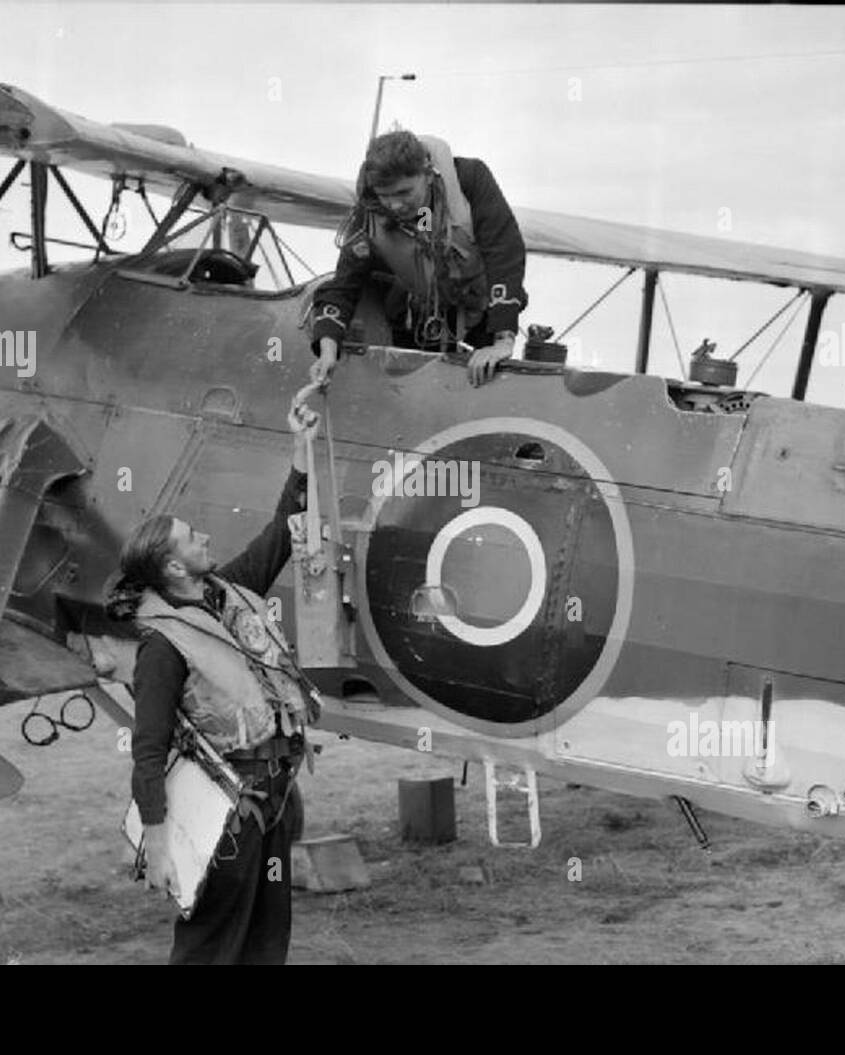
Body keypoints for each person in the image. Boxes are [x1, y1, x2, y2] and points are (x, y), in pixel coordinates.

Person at [104, 398, 321, 965]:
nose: (204, 536)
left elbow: (282, 530)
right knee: (210, 948)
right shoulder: (161, 647)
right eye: (190, 537)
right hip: (230, 808)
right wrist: (156, 842)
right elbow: (148, 750)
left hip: (271, 800)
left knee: (265, 943)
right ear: (173, 568)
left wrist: (300, 448)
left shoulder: (226, 593)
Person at [309, 129, 528, 388]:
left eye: (404, 193)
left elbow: (504, 251)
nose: (396, 206)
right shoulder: (370, 214)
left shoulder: (470, 179)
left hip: (481, 317)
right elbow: (344, 284)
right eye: (386, 196)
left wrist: (503, 341)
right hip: (415, 323)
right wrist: (327, 349)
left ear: (427, 174)